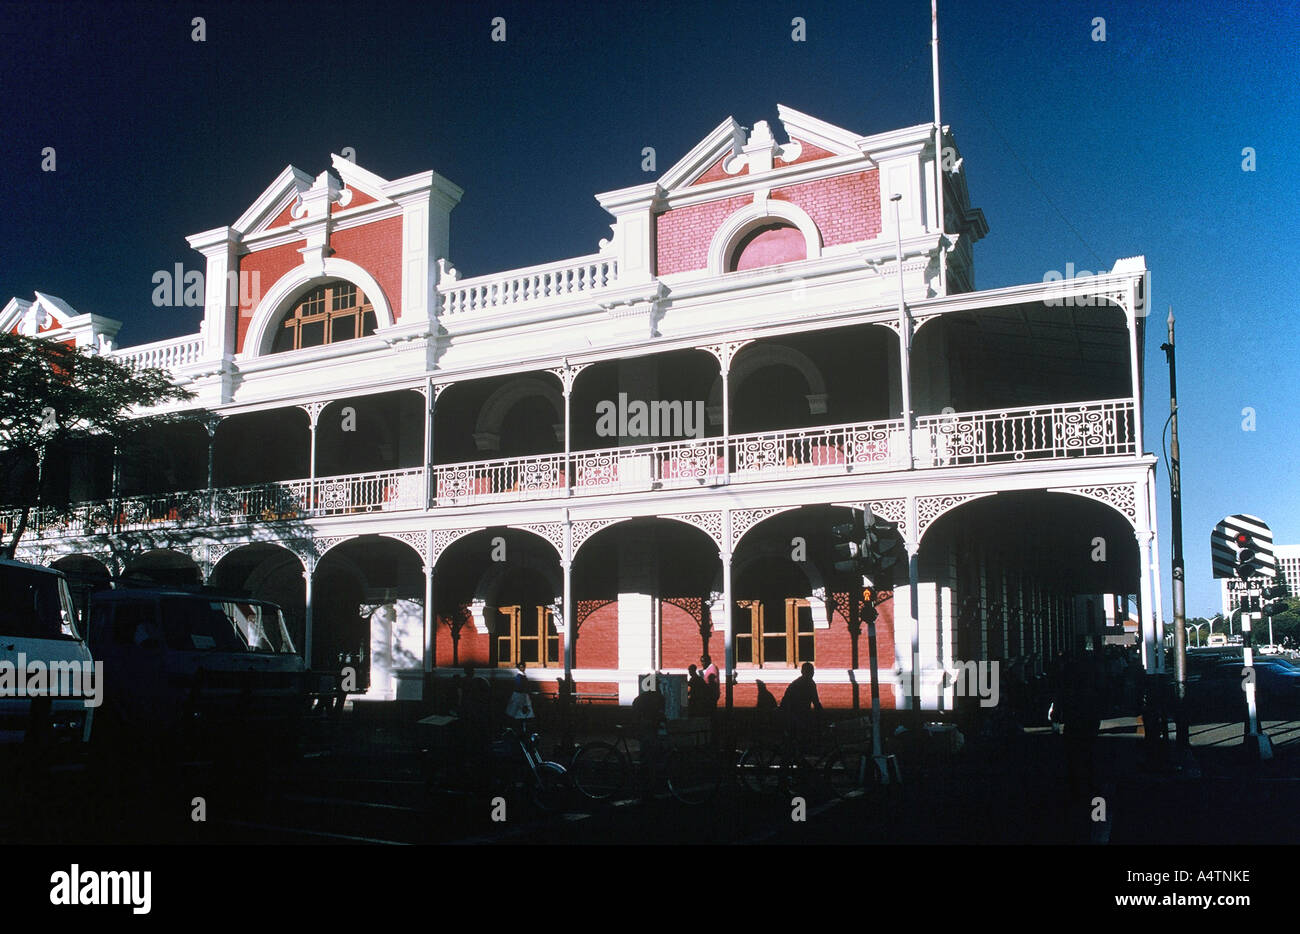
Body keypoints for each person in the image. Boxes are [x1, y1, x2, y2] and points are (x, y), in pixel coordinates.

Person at [780, 662, 822, 754]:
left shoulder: (797, 683)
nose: (811, 673)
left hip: (793, 714)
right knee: (801, 736)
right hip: (795, 716)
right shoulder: (809, 684)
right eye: (810, 671)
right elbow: (816, 702)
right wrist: (823, 714)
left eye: (812, 671)